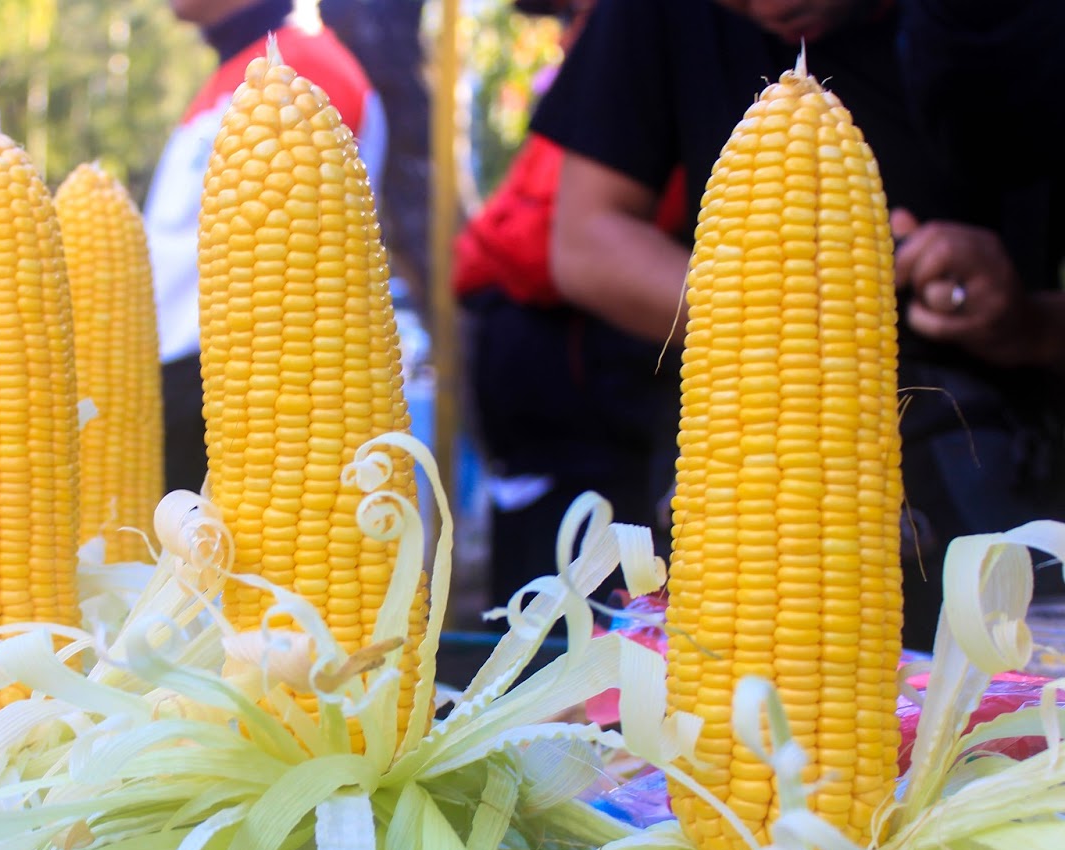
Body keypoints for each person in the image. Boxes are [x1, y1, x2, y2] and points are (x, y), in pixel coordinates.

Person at [529, 0, 1065, 649]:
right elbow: (586, 240)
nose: (770, 5)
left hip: (995, 472)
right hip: (743, 460)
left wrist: (1029, 322)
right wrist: (781, 308)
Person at [453, 0, 687, 610]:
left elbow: (536, 249)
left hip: (597, 438)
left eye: (574, 21)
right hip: (535, 440)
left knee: (582, 608)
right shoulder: (590, 103)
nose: (563, 42)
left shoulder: (648, 73)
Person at [145, 0, 387, 493]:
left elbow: (303, 275)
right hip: (203, 392)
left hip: (248, 402)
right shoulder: (237, 74)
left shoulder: (299, 72)